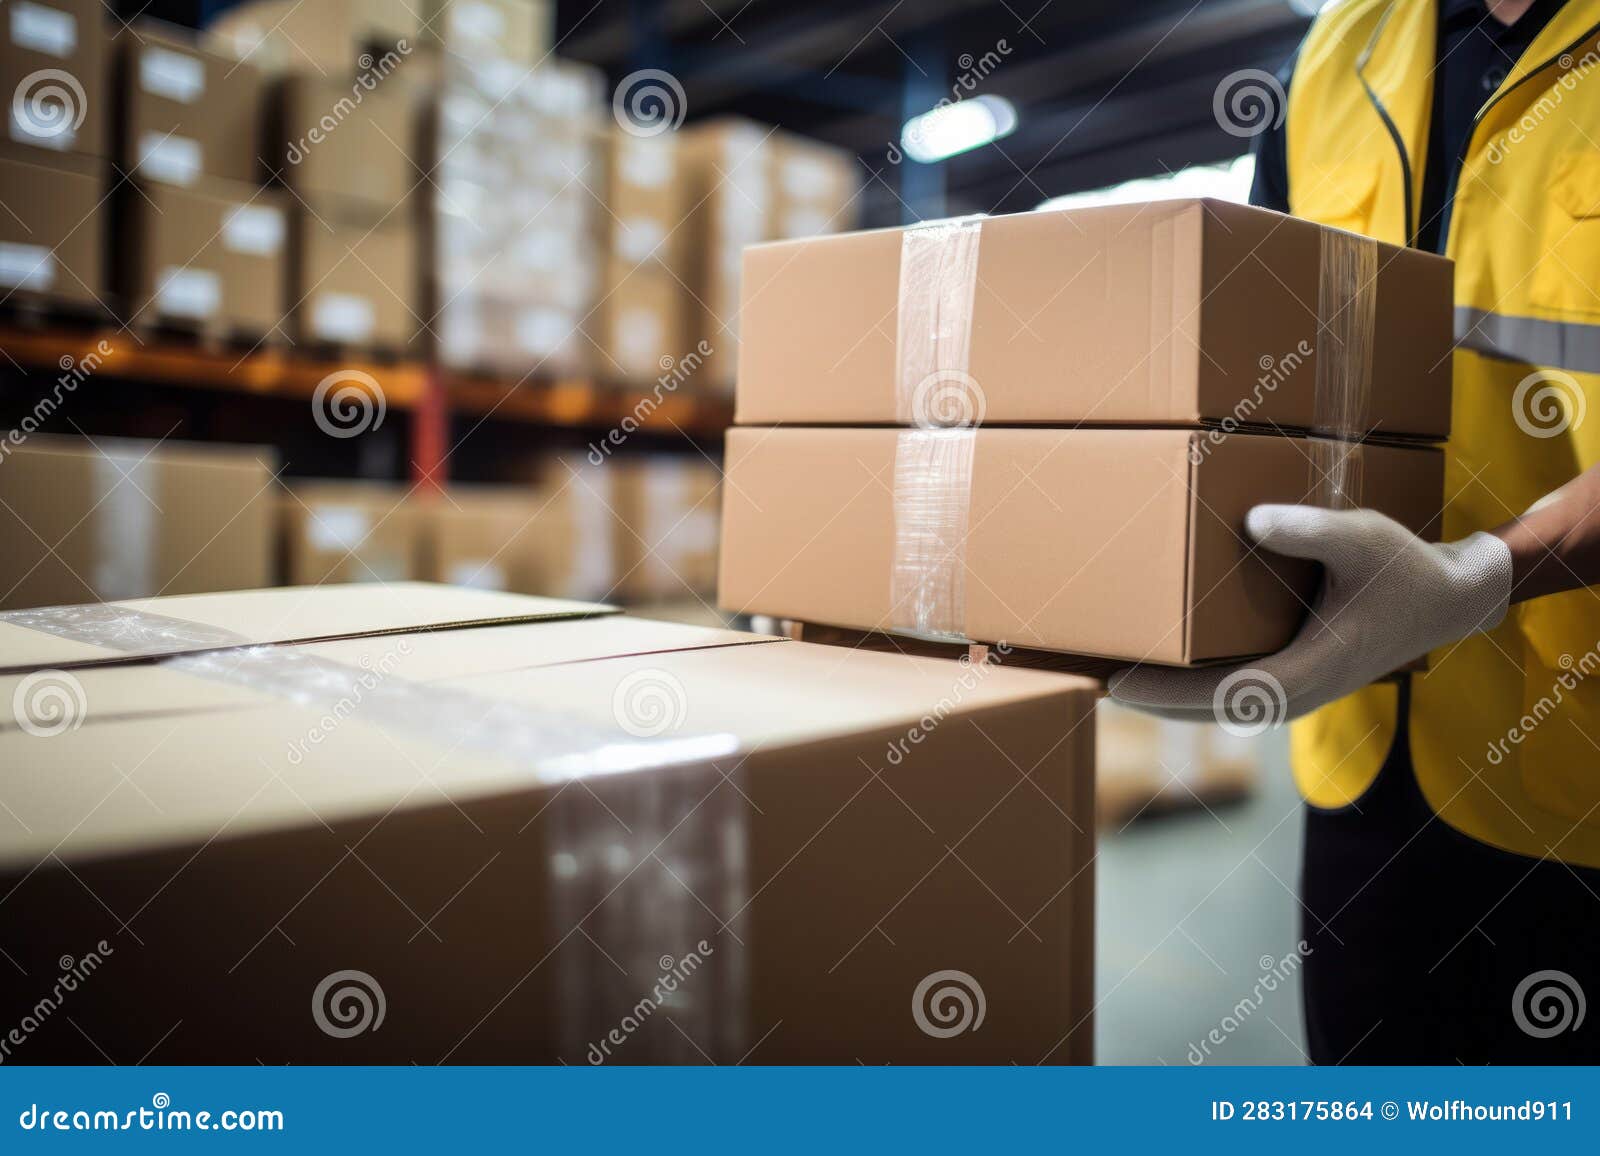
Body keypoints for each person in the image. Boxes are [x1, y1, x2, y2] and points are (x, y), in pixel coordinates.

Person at [1110, 0, 1600, 1063]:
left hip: (1579, 766)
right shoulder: (1336, 53)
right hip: (1364, 758)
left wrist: (1488, 572)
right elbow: (1257, 365)